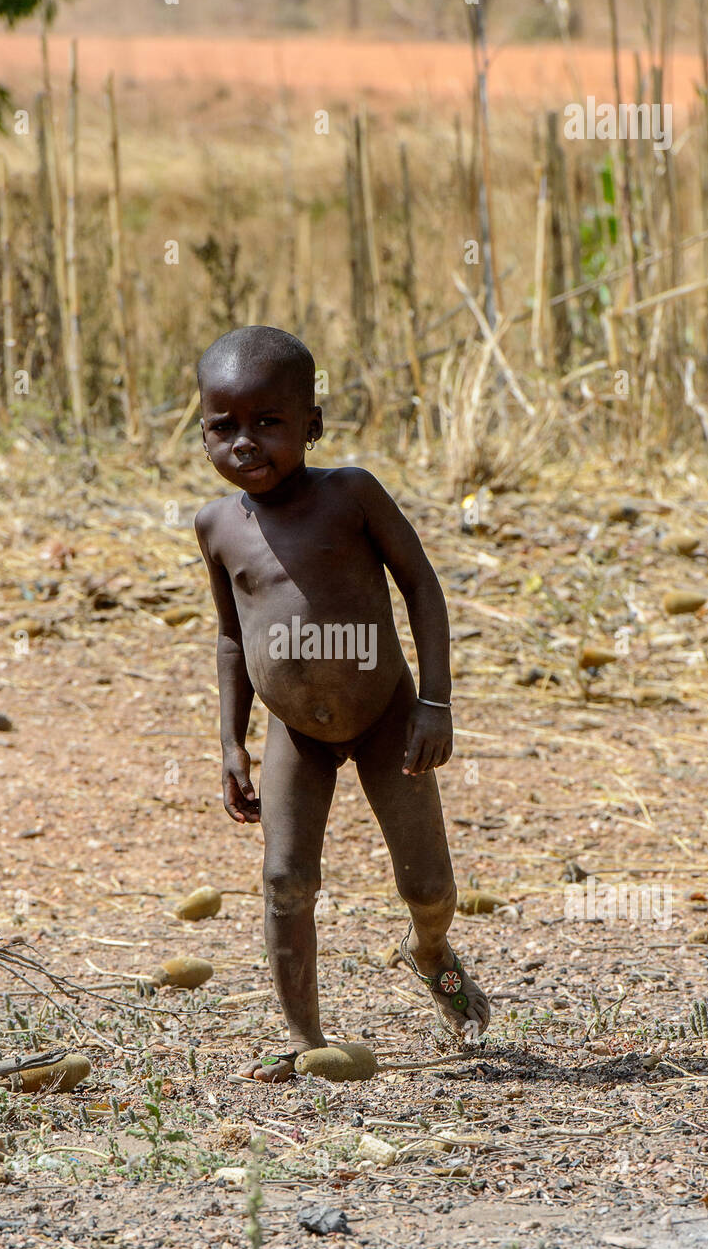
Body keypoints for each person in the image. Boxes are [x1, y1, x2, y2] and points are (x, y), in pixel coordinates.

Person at [194, 326, 490, 1081]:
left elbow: (421, 584)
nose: (245, 442)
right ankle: (305, 1038)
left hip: (388, 715)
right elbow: (232, 637)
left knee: (425, 885)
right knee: (285, 879)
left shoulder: (349, 495)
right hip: (295, 729)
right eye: (223, 425)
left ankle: (428, 950)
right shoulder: (217, 525)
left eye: (269, 422)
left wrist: (434, 701)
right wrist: (230, 742)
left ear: (312, 426)